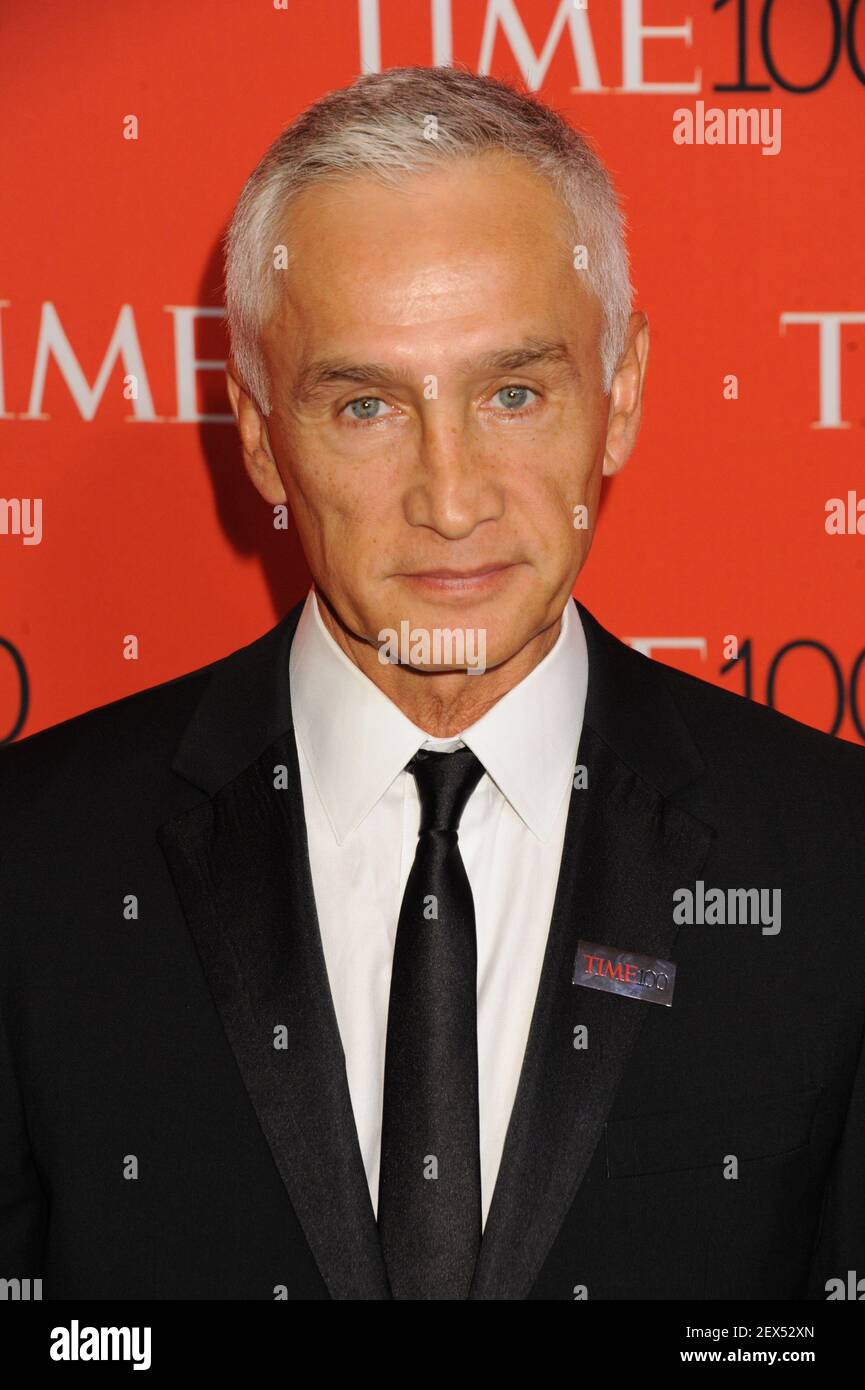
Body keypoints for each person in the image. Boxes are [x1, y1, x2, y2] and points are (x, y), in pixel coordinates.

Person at [1, 64, 863, 1302]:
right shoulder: (31, 862)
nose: (449, 499)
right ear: (259, 439)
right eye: (363, 405)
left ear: (617, 397)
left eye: (513, 392)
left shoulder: (837, 861)